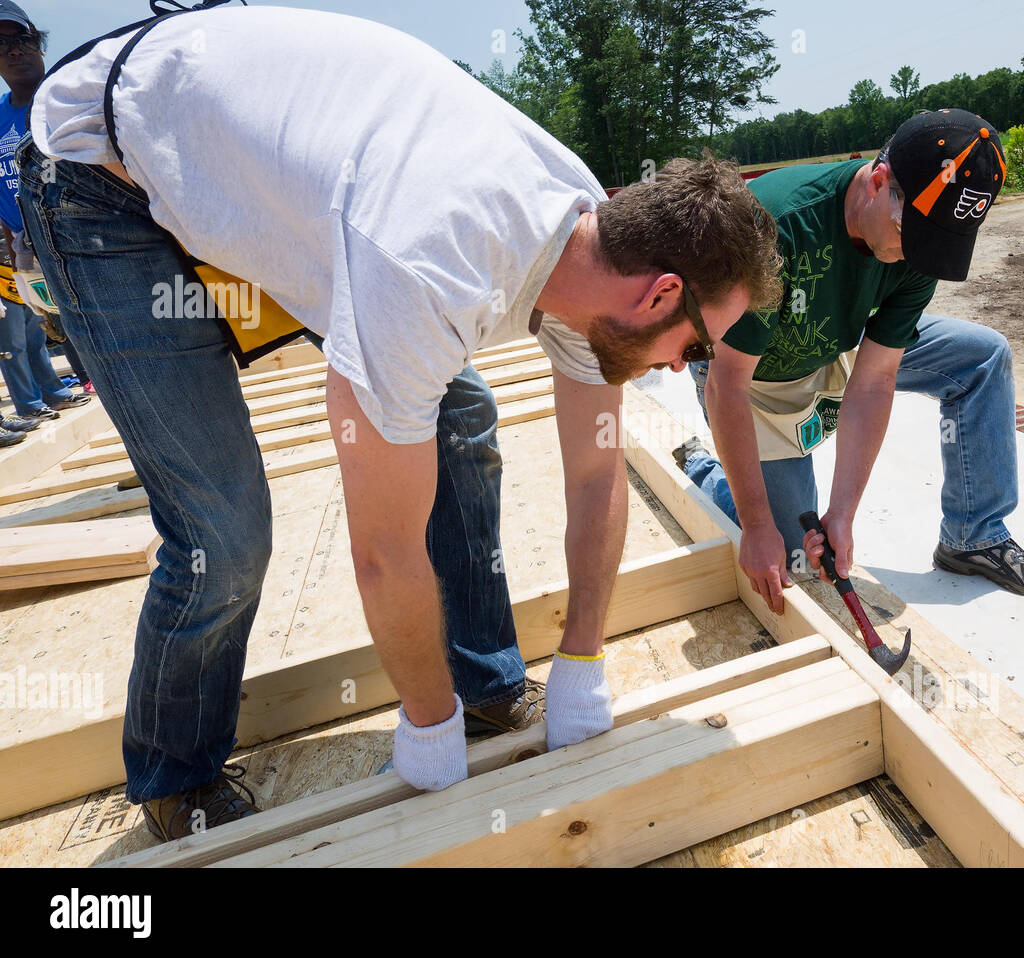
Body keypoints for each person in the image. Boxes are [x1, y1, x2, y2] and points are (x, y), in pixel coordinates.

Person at [22, 2, 780, 841]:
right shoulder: (425, 263)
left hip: (283, 174)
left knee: (460, 412)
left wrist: (583, 665)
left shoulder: (590, 234)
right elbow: (384, 551)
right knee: (223, 526)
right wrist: (427, 734)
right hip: (100, 174)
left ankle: (486, 683)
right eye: (696, 346)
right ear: (661, 293)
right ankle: (177, 773)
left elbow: (597, 473)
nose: (683, 366)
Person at [678, 109, 1024, 614]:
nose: (916, 255)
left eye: (934, 243)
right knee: (794, 555)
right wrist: (755, 525)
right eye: (912, 234)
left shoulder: (920, 245)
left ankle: (974, 537)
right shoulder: (776, 228)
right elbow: (727, 383)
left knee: (982, 355)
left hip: (841, 335)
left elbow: (877, 375)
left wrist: (842, 512)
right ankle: (709, 470)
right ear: (880, 180)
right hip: (754, 371)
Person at [0, 2, 92, 428]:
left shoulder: (68, 96)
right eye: (1, 44)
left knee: (114, 344)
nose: (13, 50)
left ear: (37, 43)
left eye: (21, 39)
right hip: (28, 255)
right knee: (62, 337)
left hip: (81, 242)